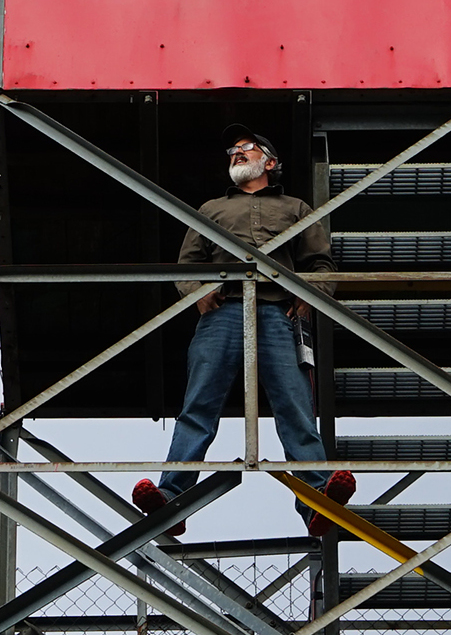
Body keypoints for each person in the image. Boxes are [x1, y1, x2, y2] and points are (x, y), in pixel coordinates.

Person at [131, 124, 355, 536]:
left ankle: (317, 502)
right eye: (232, 149)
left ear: (269, 162)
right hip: (223, 313)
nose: (236, 152)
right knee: (198, 406)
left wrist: (310, 296)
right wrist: (197, 293)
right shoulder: (212, 209)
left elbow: (321, 264)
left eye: (246, 149)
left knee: (295, 407)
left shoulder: (295, 207)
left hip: (277, 314)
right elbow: (188, 264)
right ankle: (171, 498)